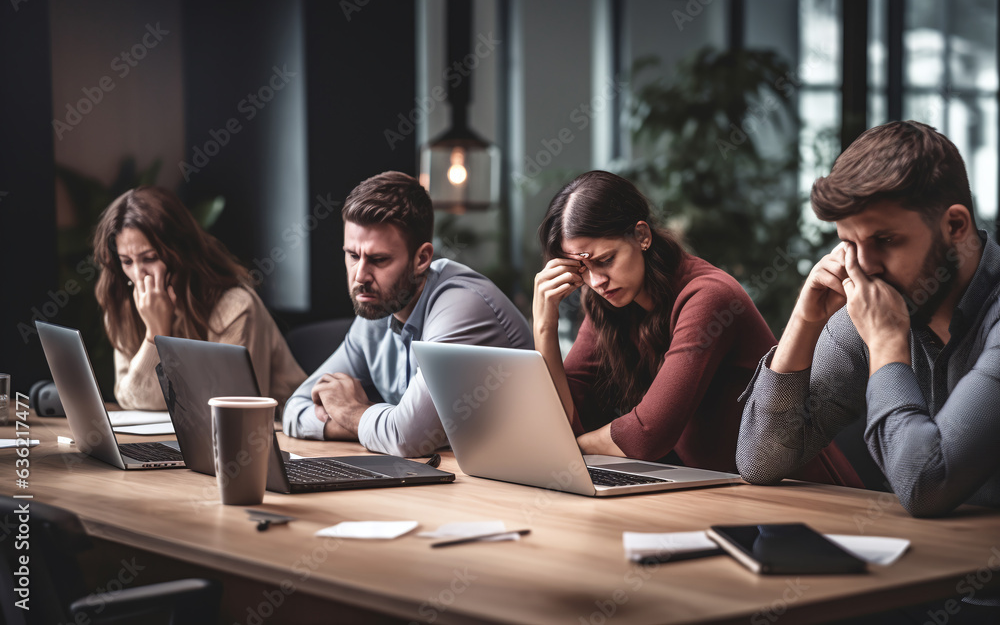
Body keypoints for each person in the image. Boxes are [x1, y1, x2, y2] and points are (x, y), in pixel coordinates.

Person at [737, 121, 1000, 517]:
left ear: (955, 226)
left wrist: (886, 346)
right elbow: (760, 461)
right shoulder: (878, 302)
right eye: (849, 243)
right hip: (928, 561)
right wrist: (804, 322)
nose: (863, 267)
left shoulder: (883, 321)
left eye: (886, 240)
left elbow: (926, 485)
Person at [533, 170, 861, 482]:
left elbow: (647, 436)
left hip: (804, 492)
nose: (596, 281)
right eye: (582, 268)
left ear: (642, 236)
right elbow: (558, 417)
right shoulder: (610, 306)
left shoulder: (708, 297)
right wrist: (545, 326)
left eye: (606, 260)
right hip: (725, 493)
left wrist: (569, 448)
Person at [281, 171, 532, 457]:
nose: (360, 276)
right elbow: (294, 409)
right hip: (446, 478)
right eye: (352, 255)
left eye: (378, 259)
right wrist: (365, 424)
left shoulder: (462, 306)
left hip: (511, 483)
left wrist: (349, 411)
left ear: (422, 259)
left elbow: (408, 438)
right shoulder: (376, 310)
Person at [93, 186, 306, 410]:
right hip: (177, 438)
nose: (138, 275)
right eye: (127, 261)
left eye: (150, 258)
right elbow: (132, 400)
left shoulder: (236, 307)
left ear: (181, 252)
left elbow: (233, 408)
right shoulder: (125, 306)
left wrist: (158, 337)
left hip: (278, 437)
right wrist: (154, 335)